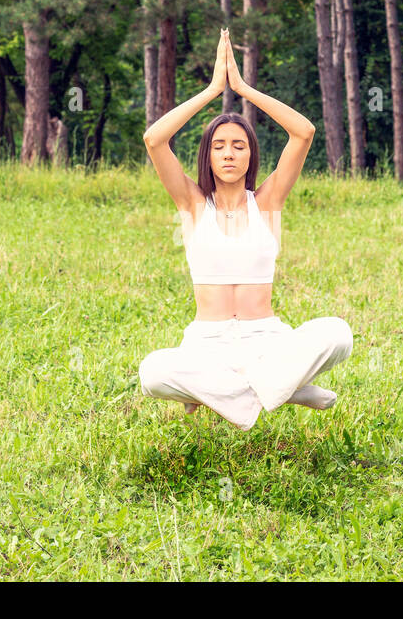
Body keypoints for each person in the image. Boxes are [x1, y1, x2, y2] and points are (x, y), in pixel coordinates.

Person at [137, 28, 353, 430]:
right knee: (152, 371)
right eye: (219, 146)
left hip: (266, 342)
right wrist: (212, 90)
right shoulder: (192, 204)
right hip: (206, 345)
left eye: (239, 145)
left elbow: (303, 131)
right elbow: (154, 139)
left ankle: (238, 393)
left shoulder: (267, 203)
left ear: (251, 154)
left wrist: (243, 88)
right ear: (208, 155)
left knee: (338, 333)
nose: (229, 153)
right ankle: (282, 390)